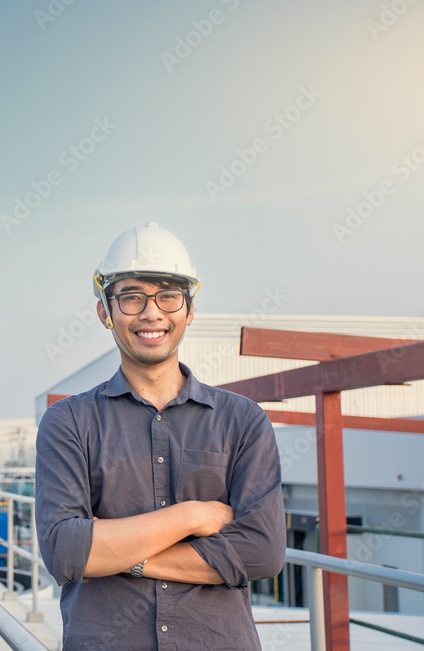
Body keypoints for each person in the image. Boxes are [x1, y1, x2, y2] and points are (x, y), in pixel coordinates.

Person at [35, 223, 286, 650]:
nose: (151, 313)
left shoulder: (242, 421)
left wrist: (116, 555)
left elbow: (262, 552)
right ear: (105, 312)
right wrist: (192, 516)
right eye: (131, 296)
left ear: (189, 310)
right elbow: (64, 551)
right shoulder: (68, 422)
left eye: (168, 295)